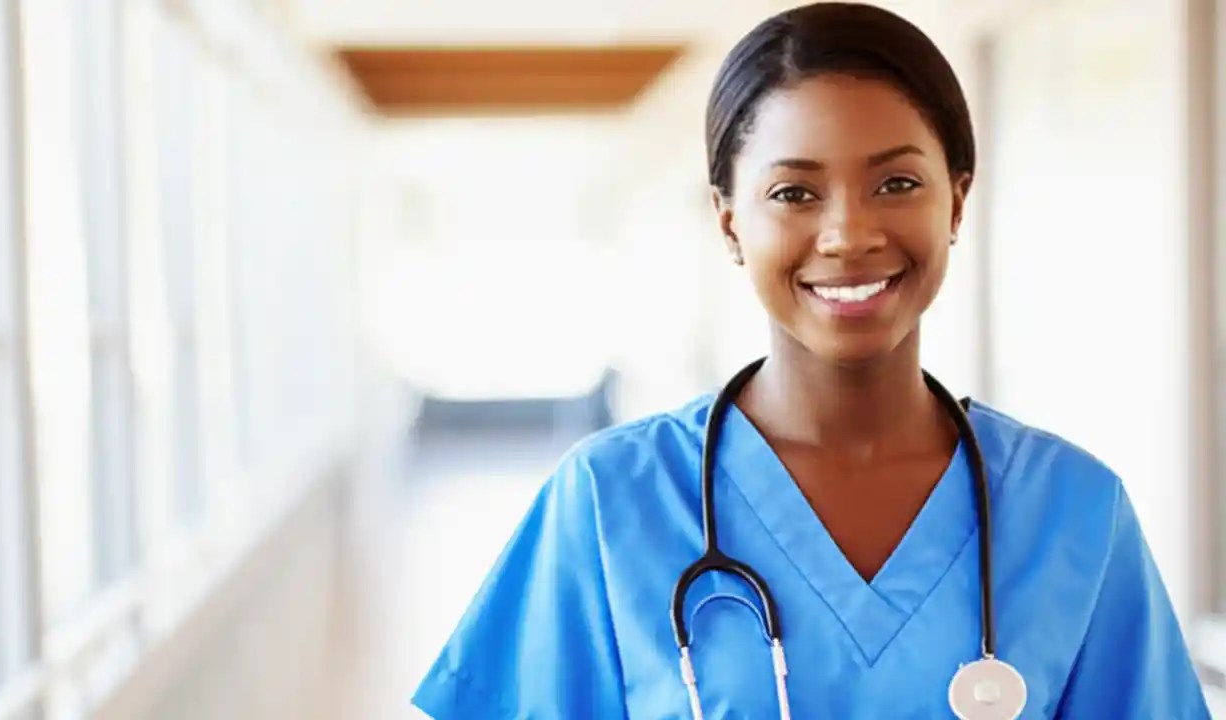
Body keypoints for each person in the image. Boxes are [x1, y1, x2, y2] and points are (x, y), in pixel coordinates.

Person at [410, 3, 1212, 717]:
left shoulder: (1072, 512)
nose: (848, 234)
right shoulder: (608, 503)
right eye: (794, 193)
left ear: (958, 201)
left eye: (897, 182)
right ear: (729, 223)